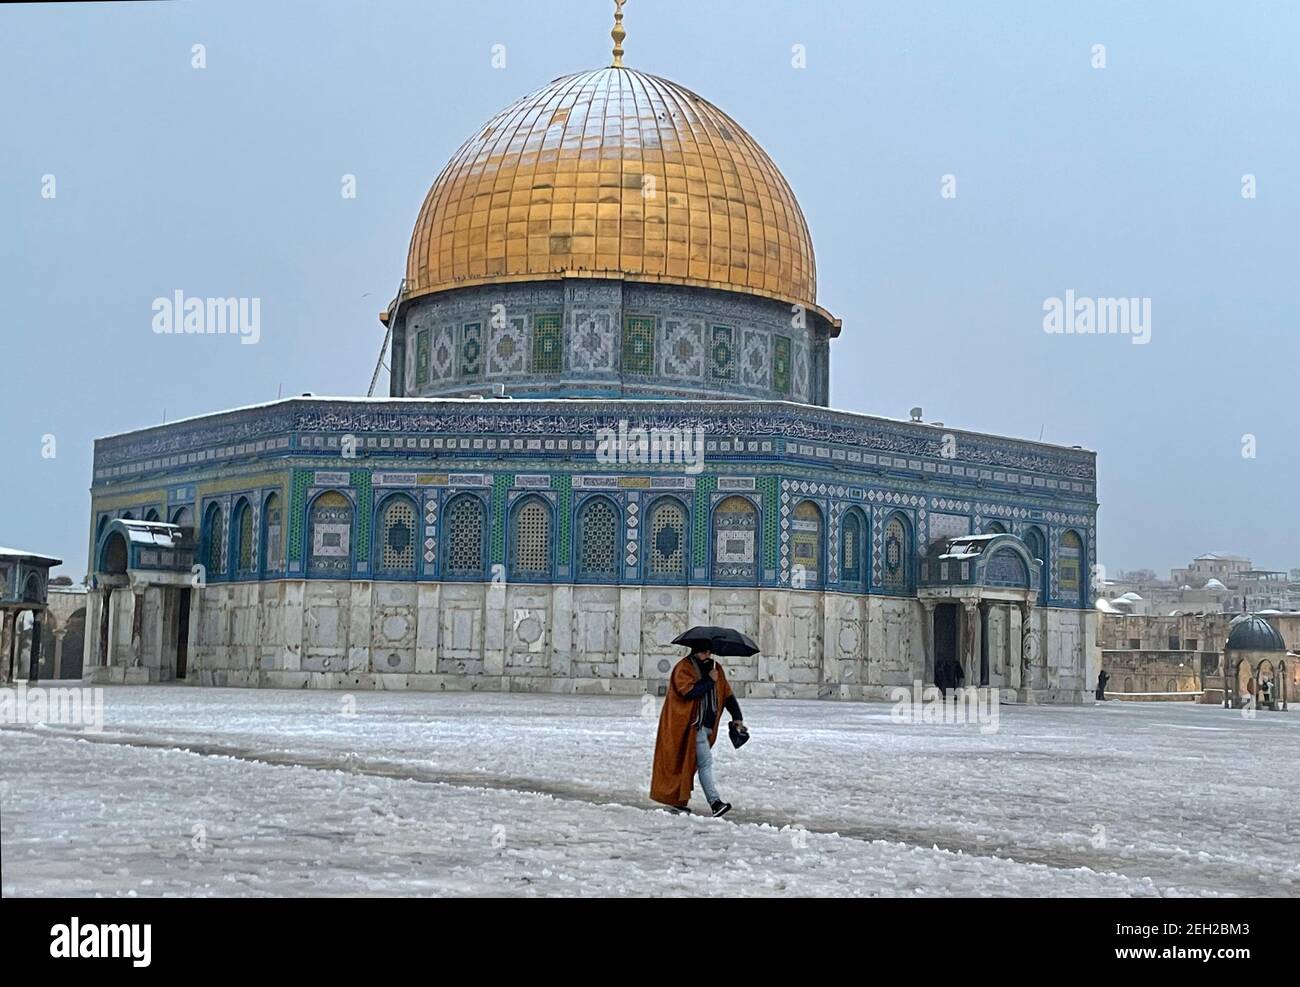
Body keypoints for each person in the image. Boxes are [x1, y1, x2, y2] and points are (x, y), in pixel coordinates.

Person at [650, 647, 746, 817]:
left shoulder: (716, 669)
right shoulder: (684, 668)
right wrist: (709, 681)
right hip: (693, 726)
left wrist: (737, 717)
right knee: (705, 763)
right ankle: (715, 803)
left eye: (709, 652)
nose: (707, 655)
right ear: (695, 651)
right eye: (704, 652)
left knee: (692, 764)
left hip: (707, 726)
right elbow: (688, 693)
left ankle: (678, 801)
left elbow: (727, 694)